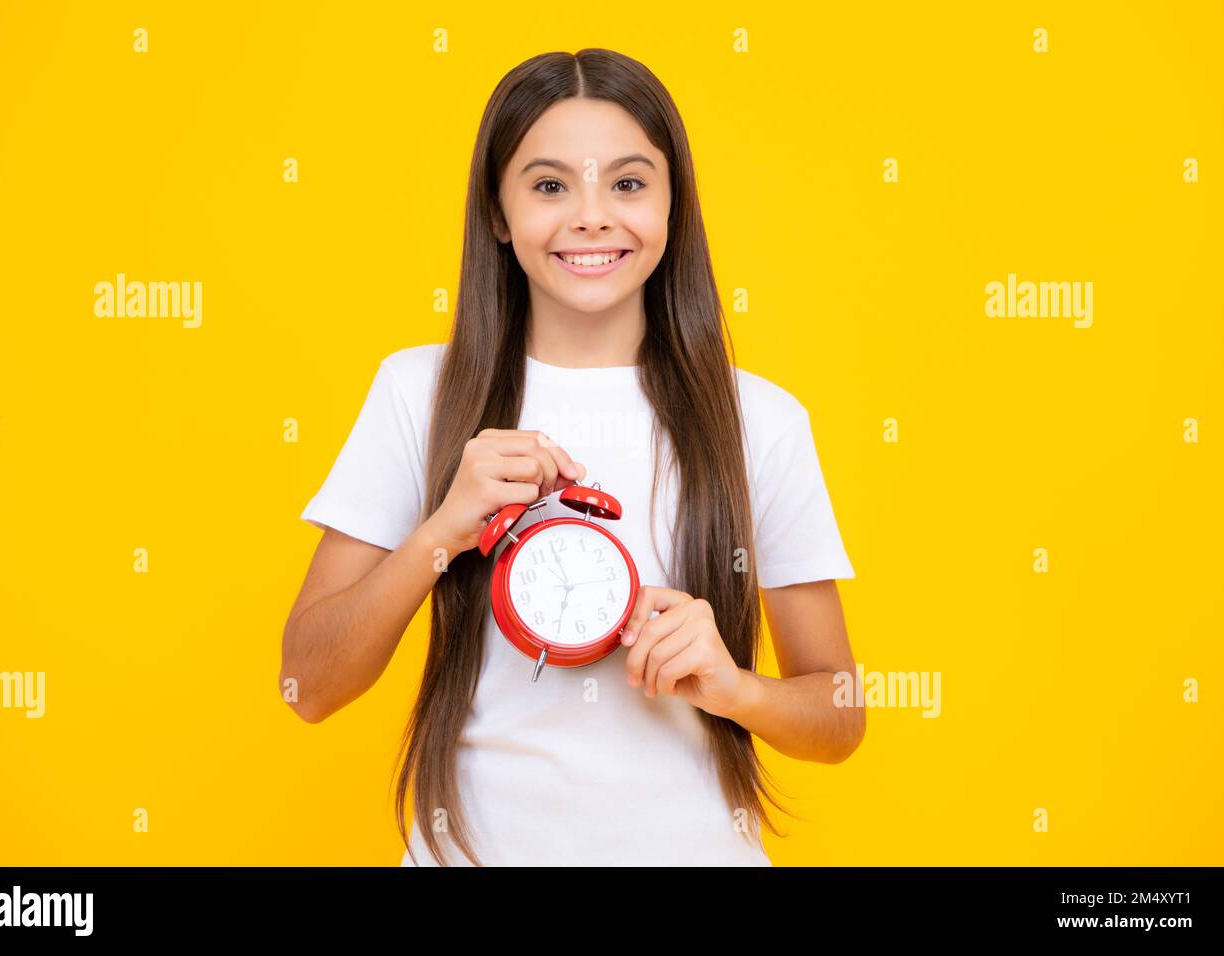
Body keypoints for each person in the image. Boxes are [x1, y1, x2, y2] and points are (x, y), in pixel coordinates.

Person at [281, 48, 864, 866]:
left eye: (628, 184)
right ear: (498, 209)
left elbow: (839, 718)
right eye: (550, 185)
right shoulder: (419, 392)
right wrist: (441, 531)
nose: (592, 217)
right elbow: (307, 685)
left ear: (673, 204)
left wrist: (736, 687)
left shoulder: (757, 419)